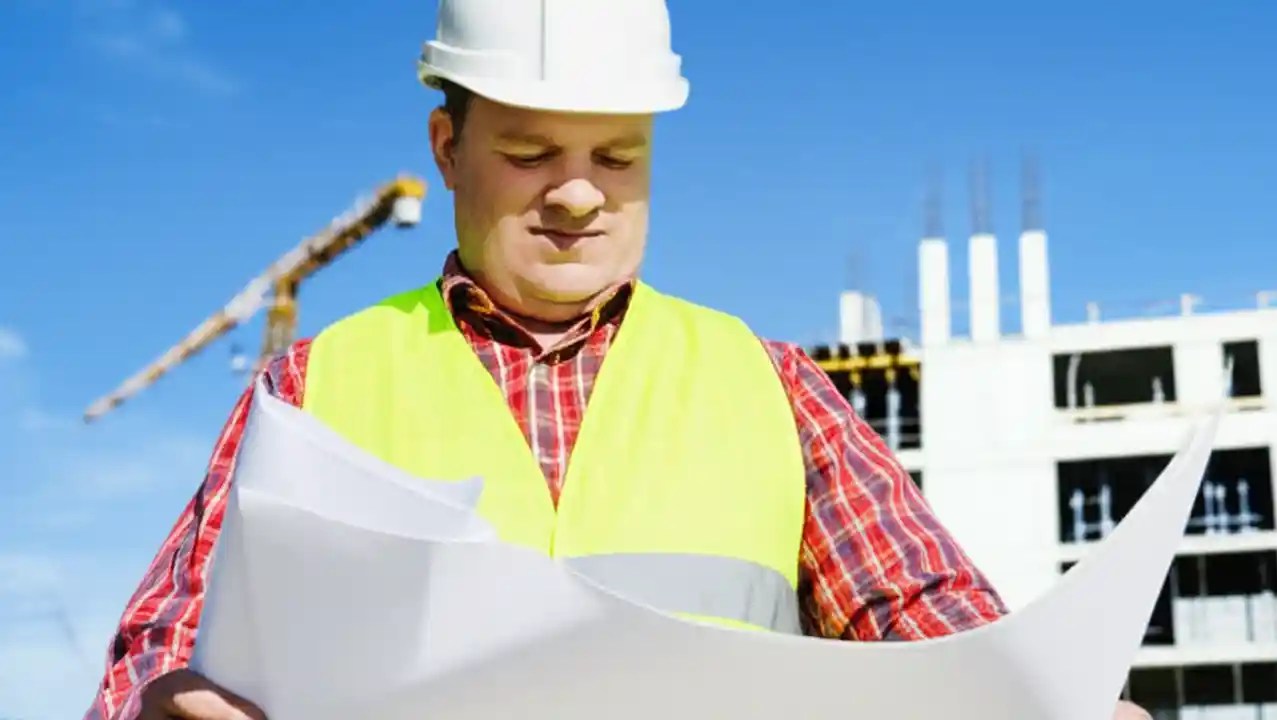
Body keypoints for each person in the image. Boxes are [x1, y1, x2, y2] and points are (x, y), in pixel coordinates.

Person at [82, 2, 1152, 719]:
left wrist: (1040, 699)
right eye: (530, 152)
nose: (579, 194)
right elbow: (160, 646)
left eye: (616, 156)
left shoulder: (769, 383)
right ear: (446, 149)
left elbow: (923, 617)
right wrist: (167, 700)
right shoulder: (315, 383)